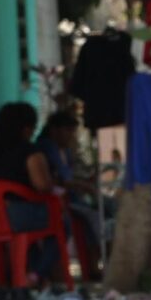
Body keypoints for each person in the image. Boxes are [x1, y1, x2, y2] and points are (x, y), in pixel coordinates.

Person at [0, 102, 65, 295]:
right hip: (15, 216)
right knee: (62, 224)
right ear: (27, 128)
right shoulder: (29, 152)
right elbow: (43, 186)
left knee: (30, 236)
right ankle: (35, 275)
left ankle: (28, 276)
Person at [36, 108, 102, 275]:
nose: (71, 136)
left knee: (99, 211)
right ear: (54, 130)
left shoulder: (64, 150)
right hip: (53, 201)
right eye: (68, 131)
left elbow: (70, 176)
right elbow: (65, 180)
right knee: (92, 217)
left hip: (69, 197)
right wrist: (85, 186)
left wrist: (85, 183)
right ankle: (93, 266)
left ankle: (93, 265)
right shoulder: (47, 147)